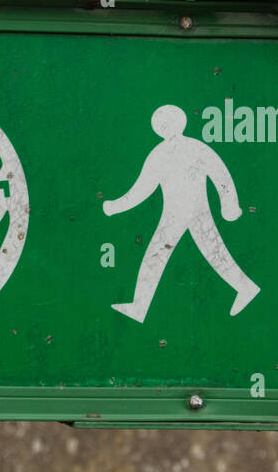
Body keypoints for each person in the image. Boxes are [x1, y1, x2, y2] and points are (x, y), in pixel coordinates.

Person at [103, 104, 259, 323]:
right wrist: (115, 206)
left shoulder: (179, 151)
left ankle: (139, 306)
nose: (161, 127)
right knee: (203, 254)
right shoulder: (168, 152)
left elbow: (220, 174)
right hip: (178, 214)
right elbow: (142, 189)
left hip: (191, 213)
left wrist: (230, 205)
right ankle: (139, 306)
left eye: (163, 123)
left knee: (177, 255)